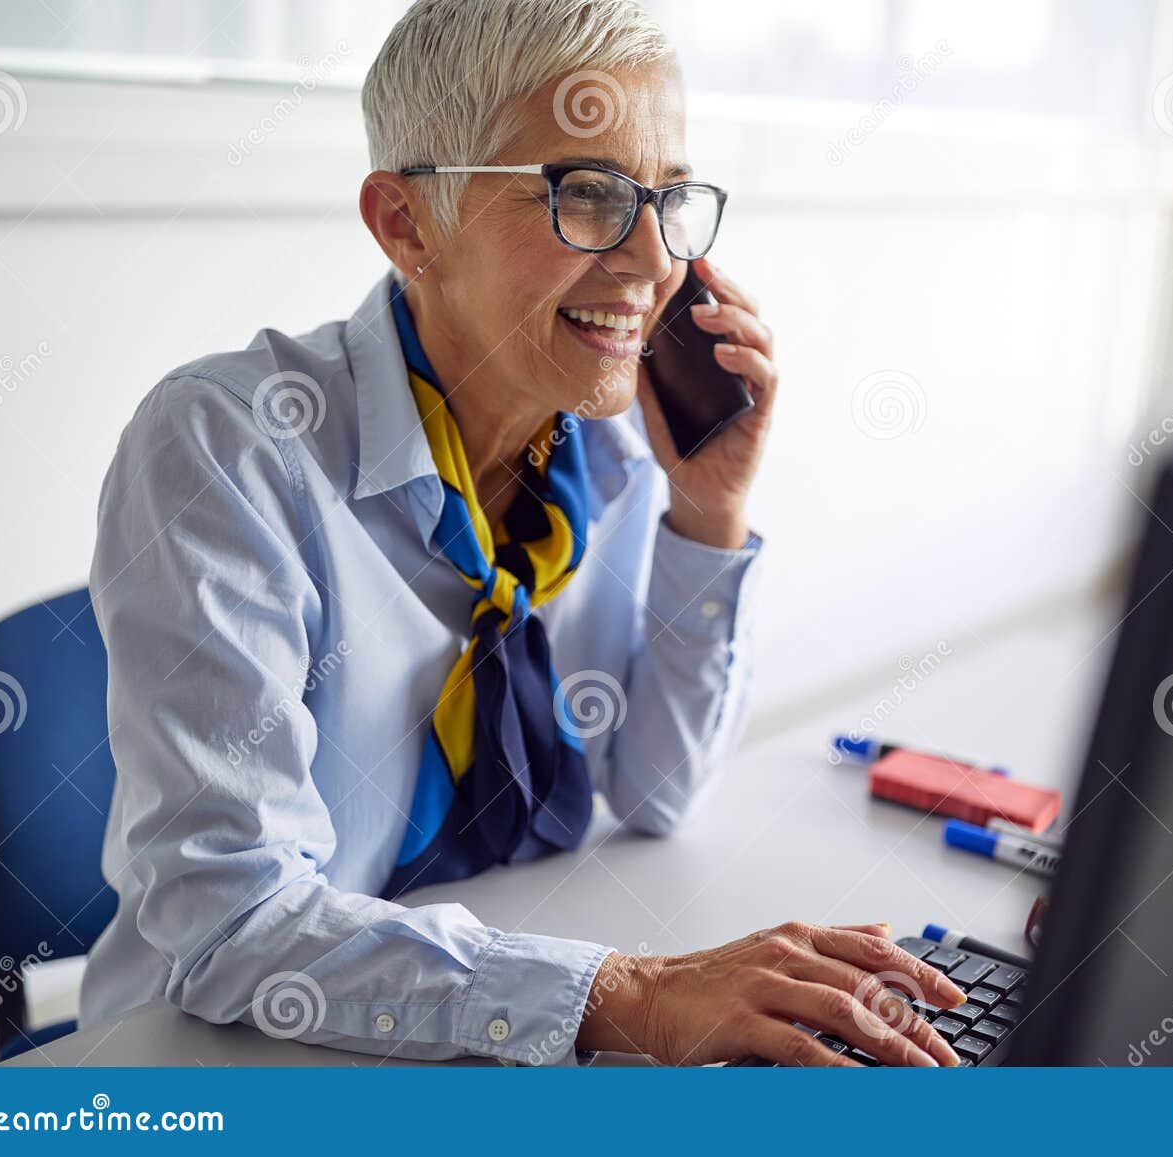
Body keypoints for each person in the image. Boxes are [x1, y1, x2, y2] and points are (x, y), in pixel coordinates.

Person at [81, 0, 961, 1067]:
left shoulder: (611, 446)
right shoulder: (230, 446)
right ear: (408, 223)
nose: (650, 260)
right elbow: (233, 925)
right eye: (585, 193)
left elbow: (657, 789)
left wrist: (708, 514)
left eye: (668, 199)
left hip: (482, 1027)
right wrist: (629, 990)